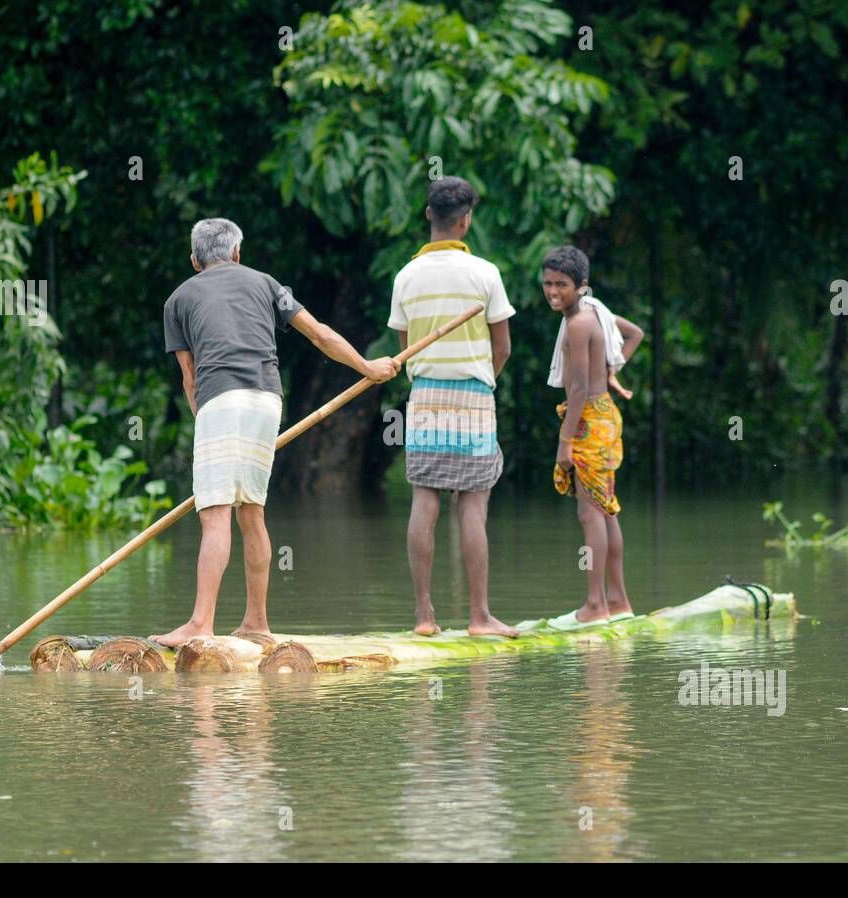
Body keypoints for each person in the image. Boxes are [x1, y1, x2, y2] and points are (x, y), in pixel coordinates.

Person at [152, 218, 398, 647]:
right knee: (251, 512)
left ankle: (200, 624)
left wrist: (206, 424)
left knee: (215, 516)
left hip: (220, 401)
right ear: (237, 253)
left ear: (194, 260)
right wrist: (369, 367)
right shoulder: (267, 283)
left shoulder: (178, 299)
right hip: (267, 401)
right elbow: (320, 335)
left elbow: (190, 379)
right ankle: (257, 623)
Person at [388, 177, 518, 637]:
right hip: (473, 397)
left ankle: (424, 617)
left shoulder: (405, 276)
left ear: (429, 215)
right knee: (473, 507)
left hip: (424, 396)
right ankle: (480, 617)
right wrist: (483, 380)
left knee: (424, 502)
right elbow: (501, 347)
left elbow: (404, 349)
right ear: (465, 221)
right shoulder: (485, 273)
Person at [541, 245, 643, 630]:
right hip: (603, 417)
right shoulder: (595, 312)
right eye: (548, 284)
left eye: (561, 285)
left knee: (590, 513)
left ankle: (594, 605)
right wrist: (613, 368)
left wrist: (565, 442)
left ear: (581, 286)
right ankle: (618, 601)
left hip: (588, 421)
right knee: (604, 510)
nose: (553, 292)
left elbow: (580, 387)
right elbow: (635, 333)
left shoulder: (580, 323)